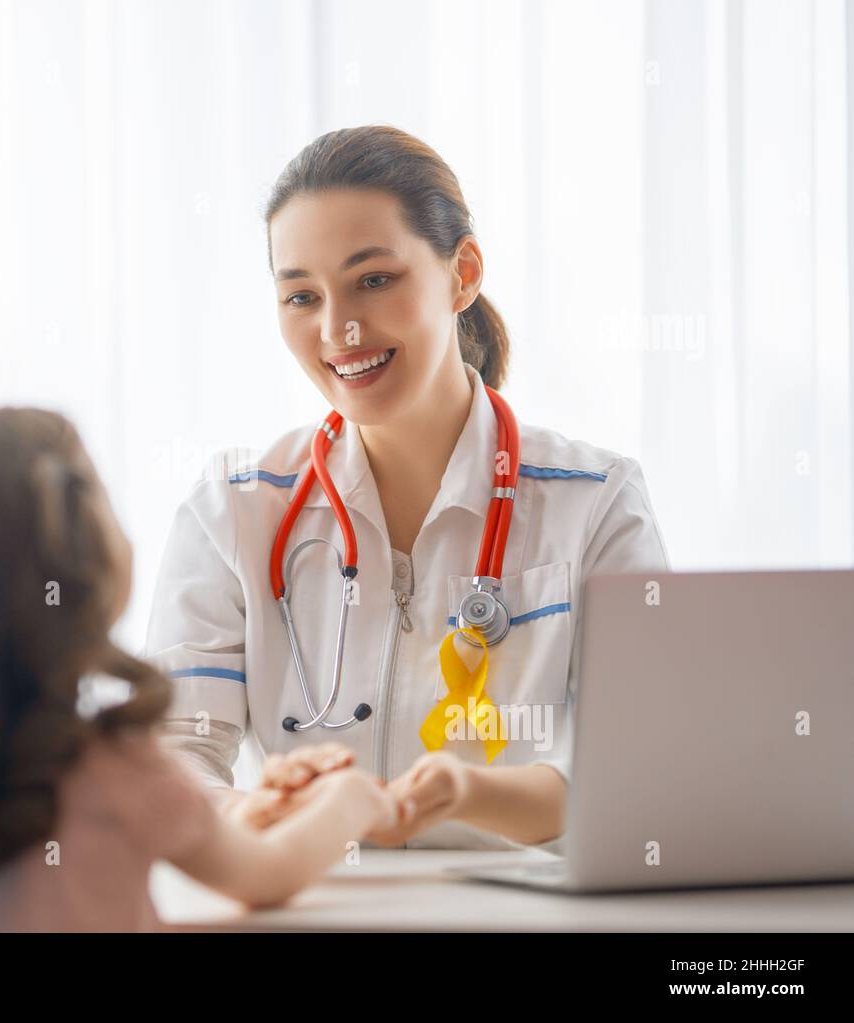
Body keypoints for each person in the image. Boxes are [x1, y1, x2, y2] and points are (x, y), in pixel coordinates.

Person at [144, 125, 670, 852]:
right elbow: (173, 767)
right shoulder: (231, 507)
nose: (339, 328)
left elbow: (638, 773)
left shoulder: (596, 502)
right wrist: (270, 811)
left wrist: (465, 793)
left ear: (464, 273)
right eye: (301, 296)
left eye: (374, 279)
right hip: (312, 910)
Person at [0, 408, 406, 931]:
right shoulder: (114, 772)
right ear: (83, 576)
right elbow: (264, 875)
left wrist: (241, 812)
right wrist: (351, 801)